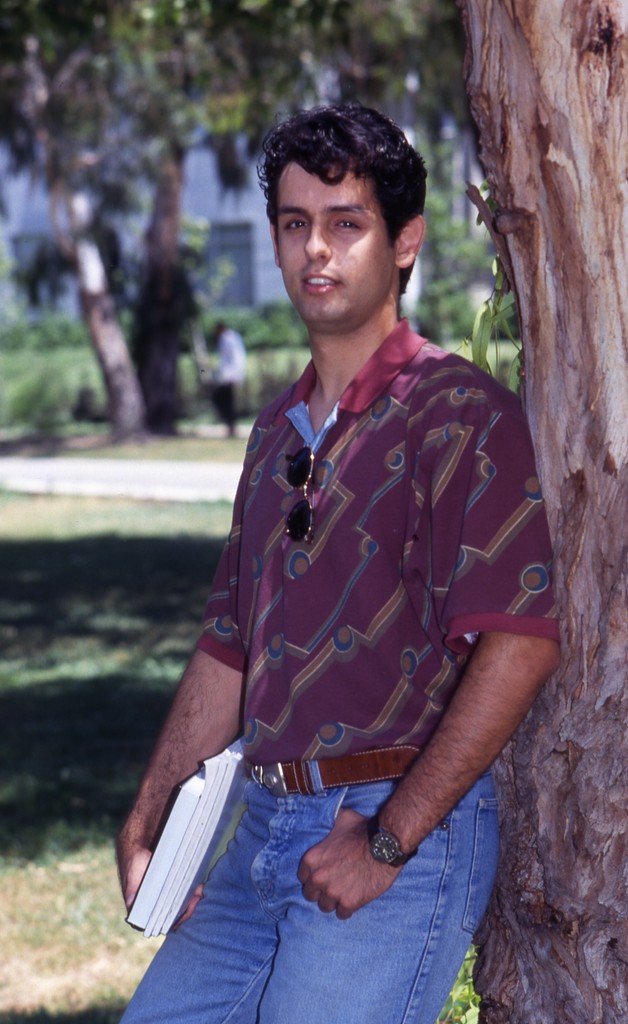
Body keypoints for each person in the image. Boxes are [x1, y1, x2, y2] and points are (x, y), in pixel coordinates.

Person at [117, 103, 560, 1024]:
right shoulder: (278, 427)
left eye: (345, 223)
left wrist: (389, 841)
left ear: (405, 242)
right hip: (261, 825)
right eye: (294, 224)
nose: (315, 250)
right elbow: (230, 641)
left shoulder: (460, 412)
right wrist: (155, 808)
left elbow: (520, 644)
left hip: (395, 822)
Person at [211, 321, 247, 436]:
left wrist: (229, 375)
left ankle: (230, 425)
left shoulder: (226, 338)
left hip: (230, 374)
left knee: (224, 400)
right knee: (227, 400)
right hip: (232, 373)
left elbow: (231, 358)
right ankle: (230, 425)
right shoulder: (233, 337)